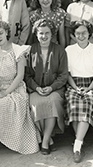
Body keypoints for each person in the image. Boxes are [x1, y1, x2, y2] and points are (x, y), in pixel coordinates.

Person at [0, 21, 39, 161]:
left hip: (15, 89)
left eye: (1, 33)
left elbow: (20, 76)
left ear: (7, 33)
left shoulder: (17, 51)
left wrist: (5, 93)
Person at [65, 20, 93, 163]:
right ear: (74, 35)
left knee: (86, 104)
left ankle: (77, 144)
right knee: (74, 105)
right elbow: (67, 74)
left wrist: (89, 88)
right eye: (78, 33)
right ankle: (79, 141)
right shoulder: (69, 50)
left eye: (84, 33)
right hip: (74, 84)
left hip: (92, 84)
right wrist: (75, 88)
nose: (81, 36)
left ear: (90, 34)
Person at [25, 19, 68, 155]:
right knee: (36, 104)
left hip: (54, 89)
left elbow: (63, 75)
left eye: (47, 33)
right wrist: (36, 88)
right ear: (36, 34)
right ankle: (46, 137)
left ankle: (45, 140)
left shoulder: (60, 50)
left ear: (52, 34)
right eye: (41, 33)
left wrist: (51, 88)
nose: (44, 36)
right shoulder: (30, 50)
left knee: (52, 102)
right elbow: (26, 75)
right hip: (35, 88)